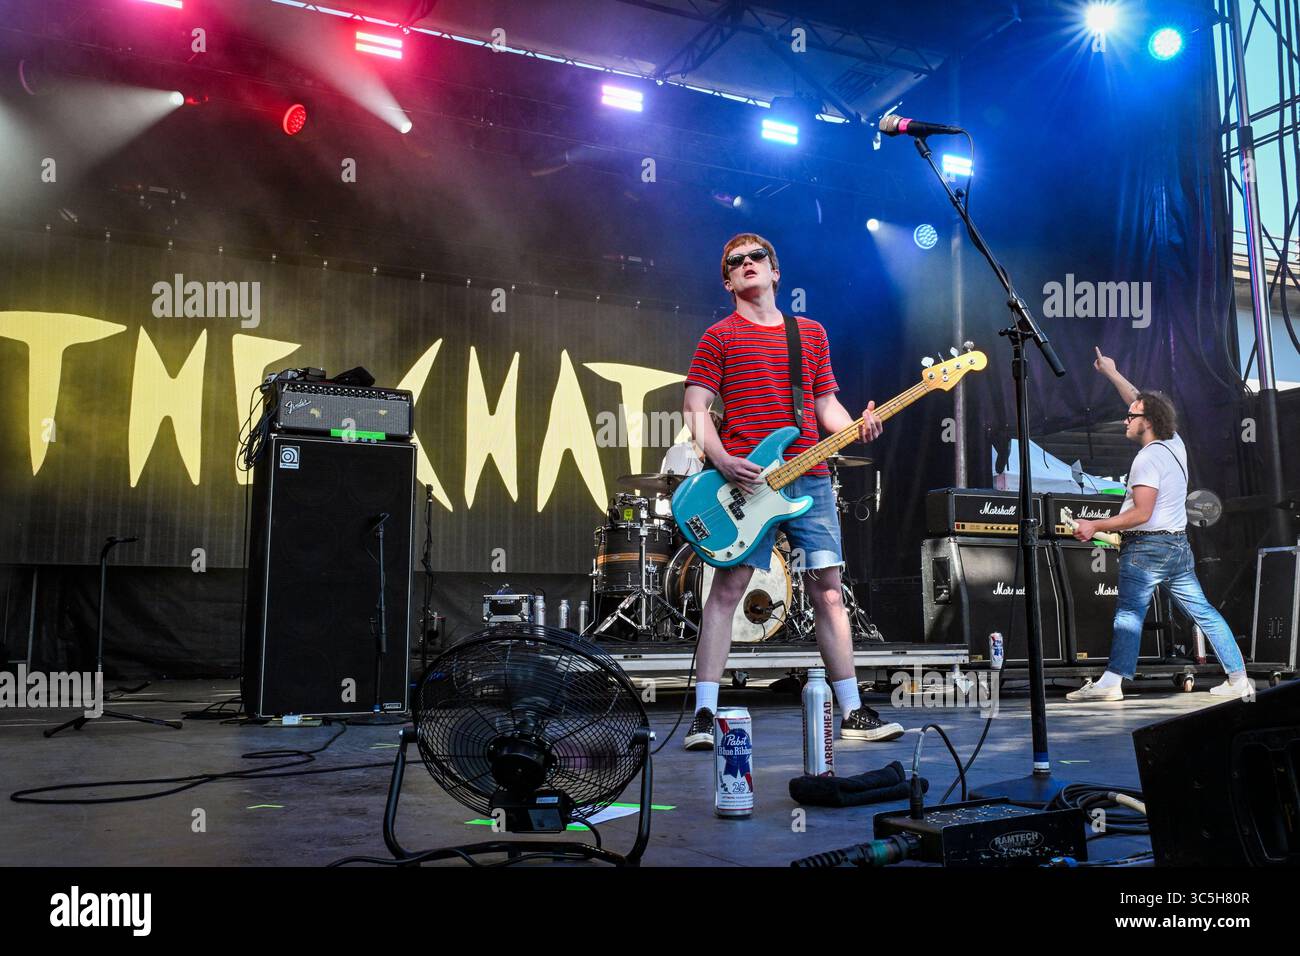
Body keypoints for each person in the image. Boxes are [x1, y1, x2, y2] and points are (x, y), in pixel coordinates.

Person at [679, 233, 904, 749]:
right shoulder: (719, 336)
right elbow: (696, 407)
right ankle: (705, 716)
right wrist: (723, 459)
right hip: (745, 482)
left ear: (775, 271)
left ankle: (851, 711)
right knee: (727, 593)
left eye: (756, 257)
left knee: (826, 591)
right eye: (735, 262)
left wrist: (857, 425)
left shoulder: (810, 333)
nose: (747, 264)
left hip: (810, 476)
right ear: (728, 280)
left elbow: (826, 406)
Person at [1066, 348, 1253, 701]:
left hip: (1147, 548)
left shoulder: (1146, 460)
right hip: (1177, 547)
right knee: (1204, 612)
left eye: (1130, 417)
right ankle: (1238, 677)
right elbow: (1139, 399)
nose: (1125, 419)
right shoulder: (1174, 444)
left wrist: (1094, 525)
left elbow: (1142, 514)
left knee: (1128, 613)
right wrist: (1111, 371)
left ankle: (1112, 682)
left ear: (1146, 422)